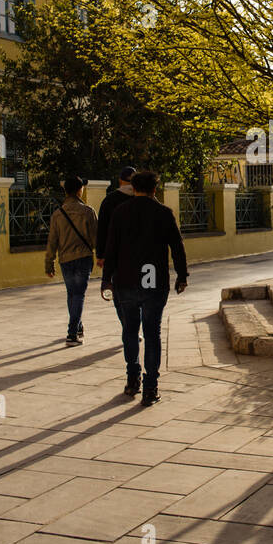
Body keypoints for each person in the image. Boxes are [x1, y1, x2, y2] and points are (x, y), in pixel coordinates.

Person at [100, 171, 188, 404]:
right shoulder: (163, 213)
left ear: (133, 188)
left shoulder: (120, 213)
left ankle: (132, 380)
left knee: (129, 330)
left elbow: (111, 248)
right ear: (154, 189)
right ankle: (151, 387)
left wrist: (106, 278)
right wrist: (182, 275)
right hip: (154, 283)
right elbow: (177, 246)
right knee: (152, 333)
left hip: (126, 281)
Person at [44, 175, 99, 346]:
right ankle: (72, 333)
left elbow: (52, 241)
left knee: (72, 294)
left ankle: (79, 326)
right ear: (79, 190)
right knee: (79, 294)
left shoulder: (57, 214)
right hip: (83, 258)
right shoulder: (88, 211)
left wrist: (49, 262)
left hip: (65, 260)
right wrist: (102, 256)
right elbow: (96, 238)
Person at [96, 166, 137, 267]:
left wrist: (100, 255)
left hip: (116, 251)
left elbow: (102, 228)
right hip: (139, 252)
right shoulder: (143, 198)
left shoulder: (109, 200)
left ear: (120, 180)